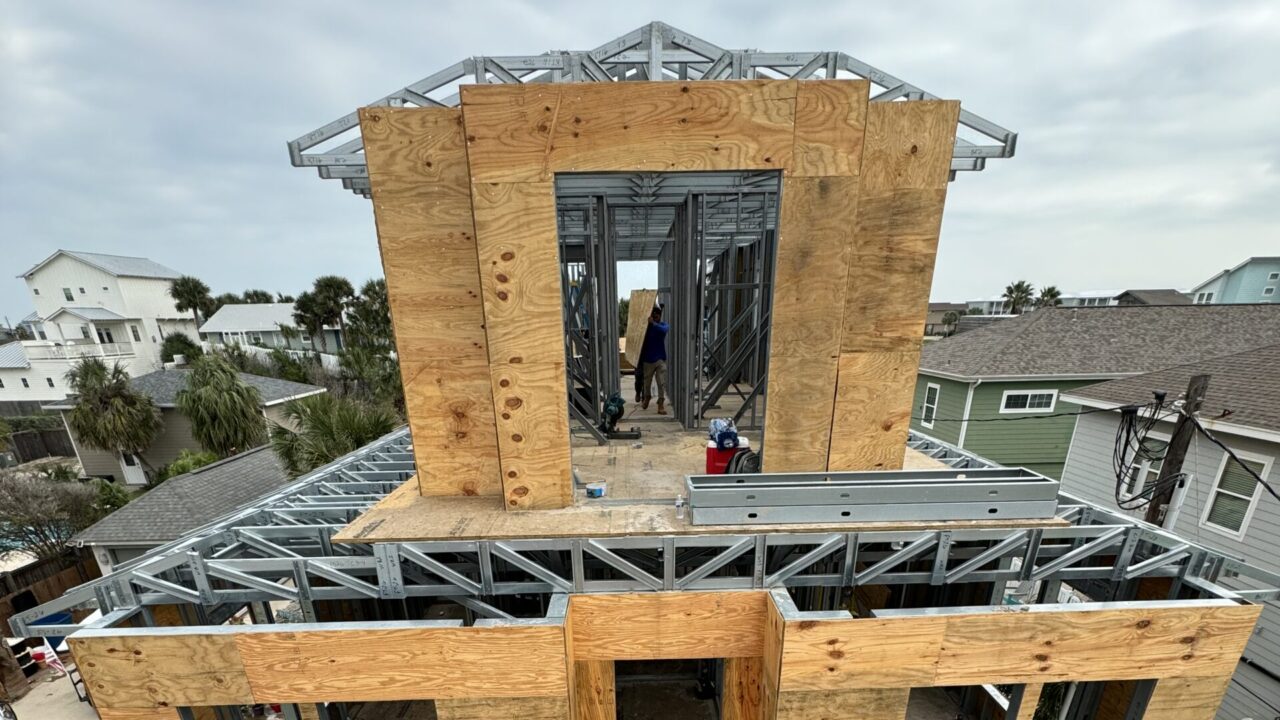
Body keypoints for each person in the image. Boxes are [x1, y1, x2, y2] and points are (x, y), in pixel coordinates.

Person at [638, 305, 669, 414]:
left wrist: (653, 323)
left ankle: (661, 404)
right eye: (653, 314)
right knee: (647, 382)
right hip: (648, 359)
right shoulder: (646, 328)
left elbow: (664, 330)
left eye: (657, 314)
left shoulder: (661, 326)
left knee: (661, 382)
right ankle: (647, 397)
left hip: (660, 359)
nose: (655, 316)